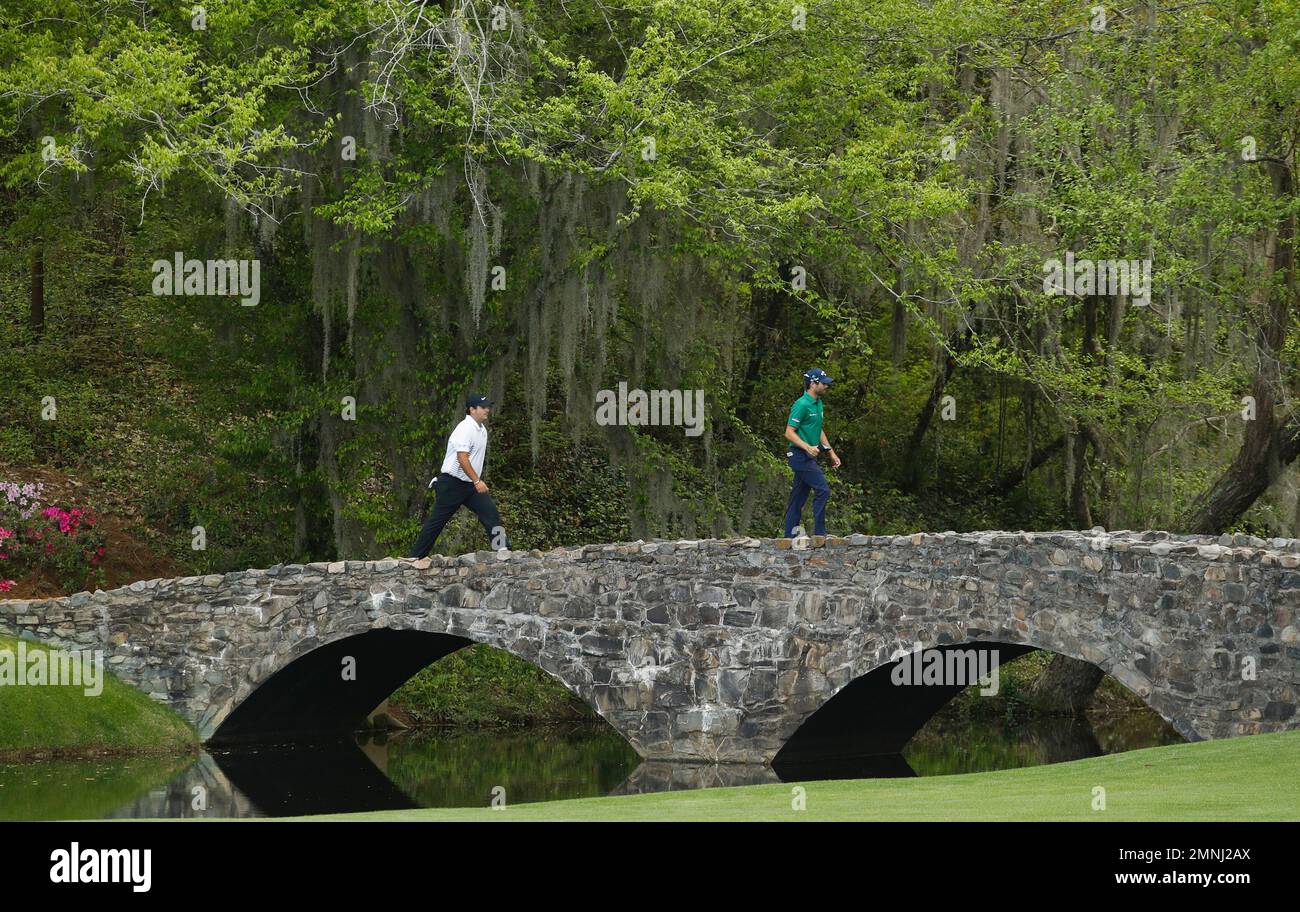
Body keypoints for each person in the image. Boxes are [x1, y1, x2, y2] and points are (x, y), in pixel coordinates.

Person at [408, 393, 509, 557]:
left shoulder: (481, 430)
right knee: (437, 522)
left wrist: (474, 482)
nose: (487, 410)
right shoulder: (465, 428)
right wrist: (477, 481)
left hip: (469, 484)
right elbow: (462, 457)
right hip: (452, 484)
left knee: (490, 512)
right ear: (472, 409)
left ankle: (503, 549)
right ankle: (415, 557)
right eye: (483, 407)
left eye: (488, 407)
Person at [782, 368, 841, 537]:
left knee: (797, 499)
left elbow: (818, 429)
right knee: (823, 490)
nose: (826, 386)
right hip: (799, 456)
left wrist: (831, 453)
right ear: (813, 384)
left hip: (809, 456)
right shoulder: (801, 404)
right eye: (823, 383)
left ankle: (789, 537)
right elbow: (789, 432)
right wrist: (807, 447)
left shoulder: (818, 403)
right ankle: (820, 535)